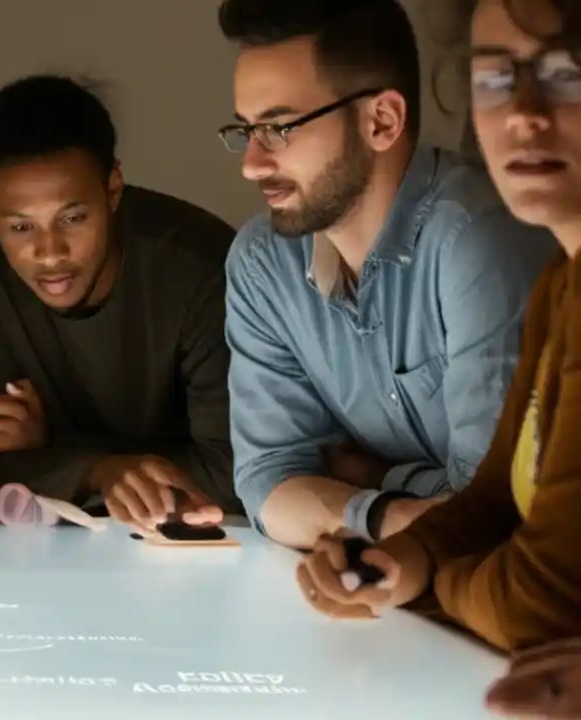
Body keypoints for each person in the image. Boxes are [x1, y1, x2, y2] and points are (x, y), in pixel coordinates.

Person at [218, 0, 559, 549]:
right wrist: (379, 514)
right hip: (401, 589)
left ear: (382, 121)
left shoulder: (476, 237)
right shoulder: (262, 263)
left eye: (279, 128)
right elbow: (266, 481)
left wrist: (376, 476)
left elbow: (490, 513)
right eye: (245, 129)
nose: (252, 163)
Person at [297, 0, 581, 655]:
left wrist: (437, 583)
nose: (523, 114)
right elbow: (494, 500)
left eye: (568, 73)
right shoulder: (559, 283)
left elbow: (544, 602)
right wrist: (400, 565)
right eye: (495, 79)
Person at [0, 74, 239, 531]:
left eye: (72, 218)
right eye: (20, 227)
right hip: (45, 556)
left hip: (190, 548)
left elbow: (231, 474)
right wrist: (101, 471)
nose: (50, 251)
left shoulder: (201, 266)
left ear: (113, 189)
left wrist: (61, 454)